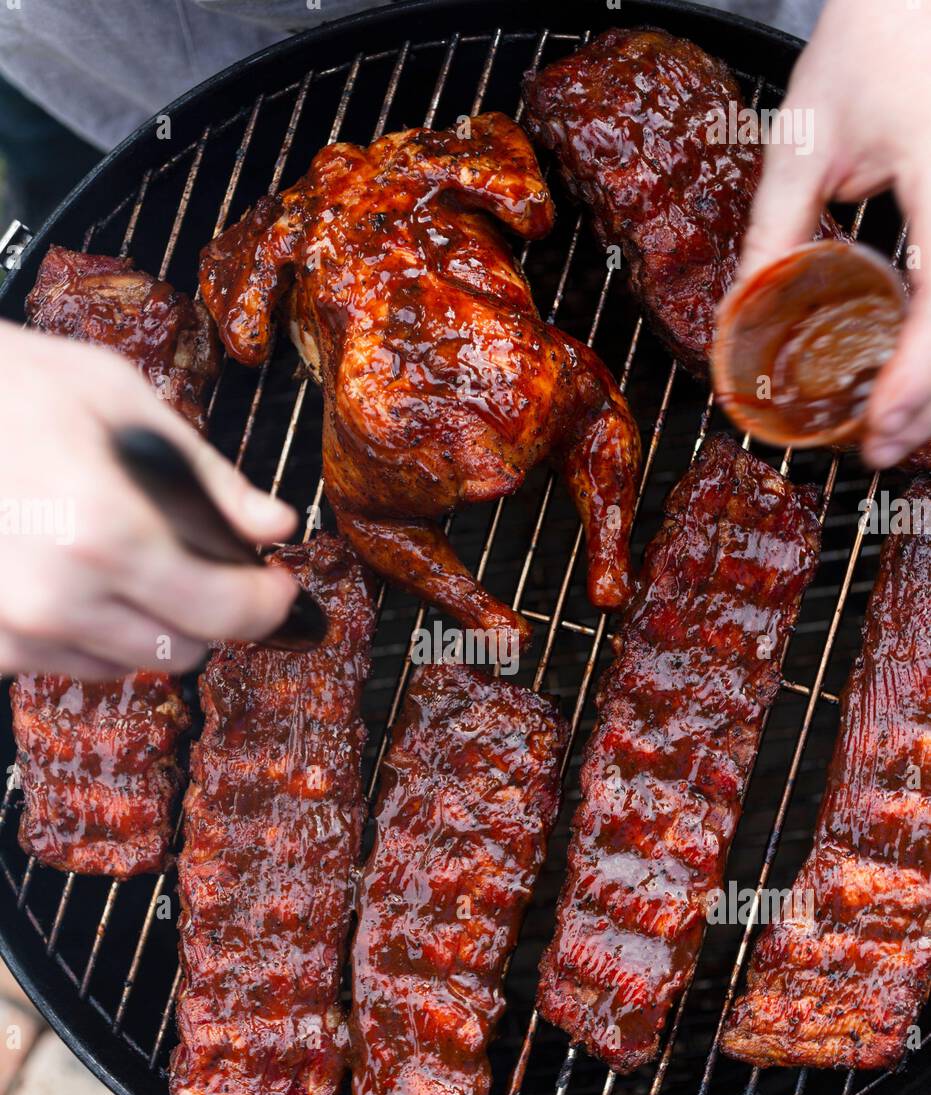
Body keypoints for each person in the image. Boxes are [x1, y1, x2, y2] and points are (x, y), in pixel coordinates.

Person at [0, 0, 925, 675]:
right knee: (587, 400)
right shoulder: (433, 174)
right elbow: (526, 202)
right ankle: (608, 564)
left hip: (813, 46)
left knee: (366, 509)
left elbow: (241, 330)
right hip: (168, 60)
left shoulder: (277, 232)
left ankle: (484, 611)